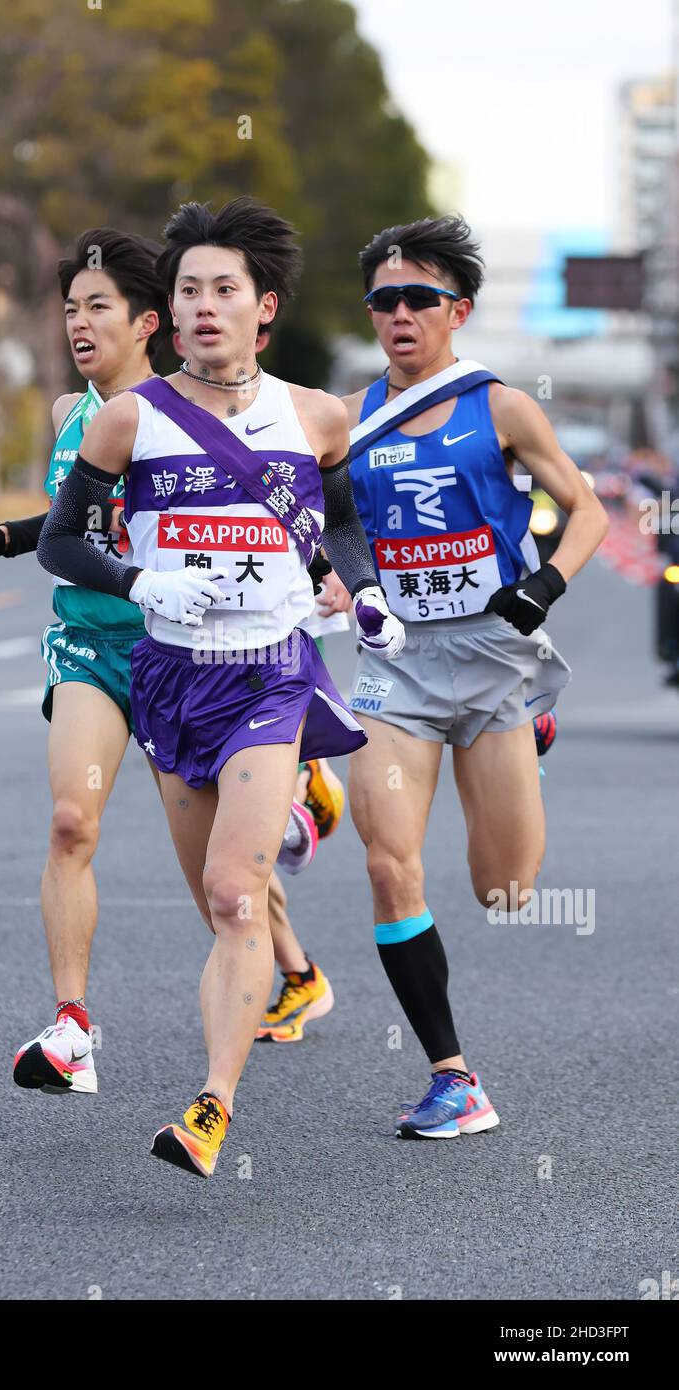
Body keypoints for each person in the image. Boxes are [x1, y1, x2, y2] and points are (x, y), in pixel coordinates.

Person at [37, 196, 405, 1177]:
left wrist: (360, 593)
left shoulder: (317, 416)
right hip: (165, 678)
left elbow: (349, 520)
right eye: (188, 289)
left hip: (268, 676)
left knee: (237, 895)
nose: (202, 306)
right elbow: (59, 539)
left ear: (263, 308)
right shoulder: (126, 420)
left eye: (223, 290)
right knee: (215, 903)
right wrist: (138, 578)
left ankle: (211, 1104)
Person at [0, 227, 335, 1098]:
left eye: (97, 309)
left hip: (195, 657)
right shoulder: (73, 416)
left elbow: (287, 518)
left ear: (146, 322)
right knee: (69, 822)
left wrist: (333, 577)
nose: (78, 326)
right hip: (93, 644)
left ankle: (297, 960)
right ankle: (72, 1026)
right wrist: (6, 537)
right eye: (69, 311)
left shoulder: (189, 414)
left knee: (224, 882)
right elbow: (76, 528)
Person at [336, 216, 607, 1138]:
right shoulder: (352, 417)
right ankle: (453, 1076)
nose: (400, 314)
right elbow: (329, 525)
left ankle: (533, 731)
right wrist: (359, 585)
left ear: (459, 310)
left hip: (495, 659)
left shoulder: (502, 406)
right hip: (399, 665)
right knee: (387, 863)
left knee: (505, 889)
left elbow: (589, 511)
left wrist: (546, 584)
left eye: (420, 299)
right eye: (384, 300)